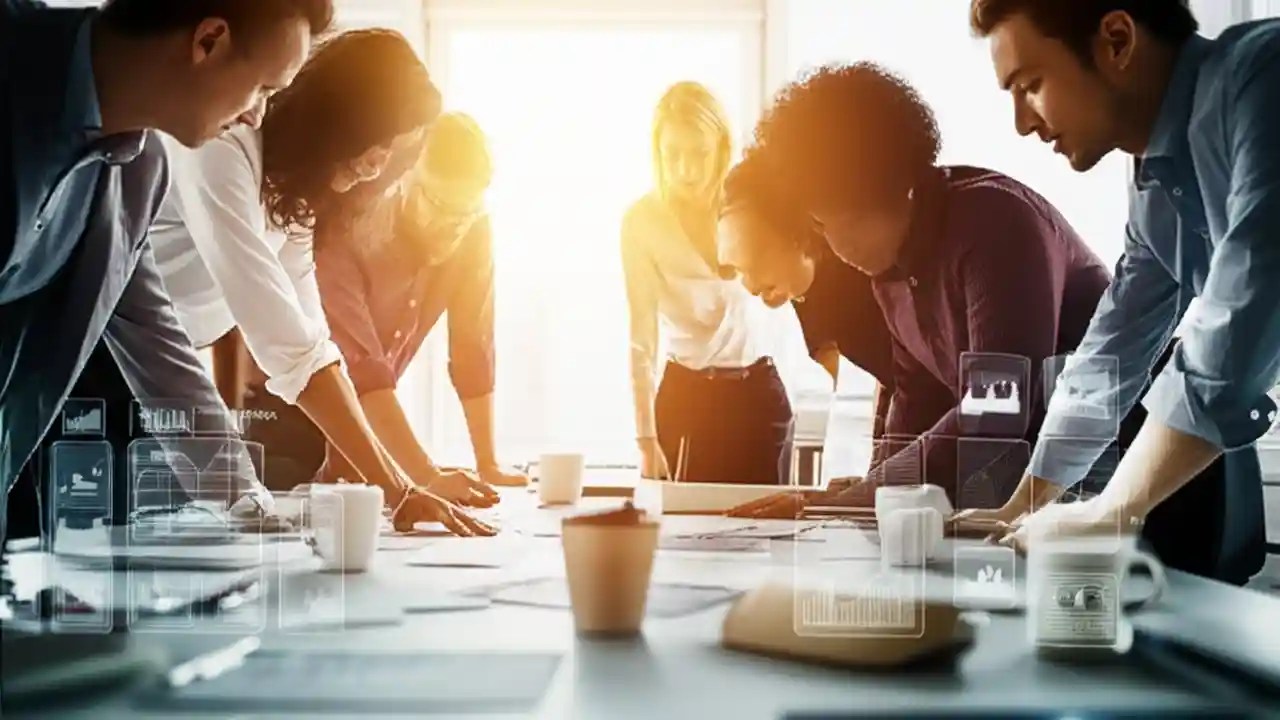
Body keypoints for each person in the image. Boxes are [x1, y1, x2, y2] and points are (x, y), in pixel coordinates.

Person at [719, 63, 1113, 523]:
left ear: (863, 193)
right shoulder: (890, 274)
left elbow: (996, 412)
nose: (824, 244)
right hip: (1045, 487)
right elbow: (915, 402)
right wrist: (853, 500)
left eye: (824, 223)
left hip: (1122, 469)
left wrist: (845, 503)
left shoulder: (996, 224)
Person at [1, 0, 334, 545]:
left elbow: (157, 344)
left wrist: (246, 499)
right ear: (209, 41)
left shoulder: (139, 169)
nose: (256, 116)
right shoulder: (16, 59)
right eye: (264, 89)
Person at [962, 0, 1268, 583]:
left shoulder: (1262, 80)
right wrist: (1025, 505)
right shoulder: (1158, 182)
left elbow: (1239, 323)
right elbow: (1112, 352)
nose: (1022, 123)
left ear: (1118, 40)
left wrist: (1112, 510)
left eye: (1030, 84)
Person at [148, 29, 494, 536]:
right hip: (106, 348)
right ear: (340, 119)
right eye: (375, 142)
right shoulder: (223, 151)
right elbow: (282, 340)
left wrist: (373, 465)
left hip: (162, 358)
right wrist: (398, 488)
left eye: (392, 151)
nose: (379, 165)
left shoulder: (295, 200)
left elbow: (313, 340)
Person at [246, 111, 526, 501]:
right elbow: (362, 369)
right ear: (407, 176)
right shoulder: (346, 226)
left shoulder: (472, 232)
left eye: (466, 212)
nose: (453, 224)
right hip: (287, 412)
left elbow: (473, 347)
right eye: (439, 204)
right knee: (280, 535)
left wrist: (487, 463)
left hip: (367, 421)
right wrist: (424, 477)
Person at [622, 81, 794, 485]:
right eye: (673, 155)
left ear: (720, 147)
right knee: (684, 540)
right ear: (657, 154)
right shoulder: (642, 222)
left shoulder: (748, 203)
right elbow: (640, 341)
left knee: (765, 537)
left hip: (759, 395)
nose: (686, 169)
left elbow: (787, 284)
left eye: (699, 153)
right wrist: (646, 441)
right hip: (687, 398)